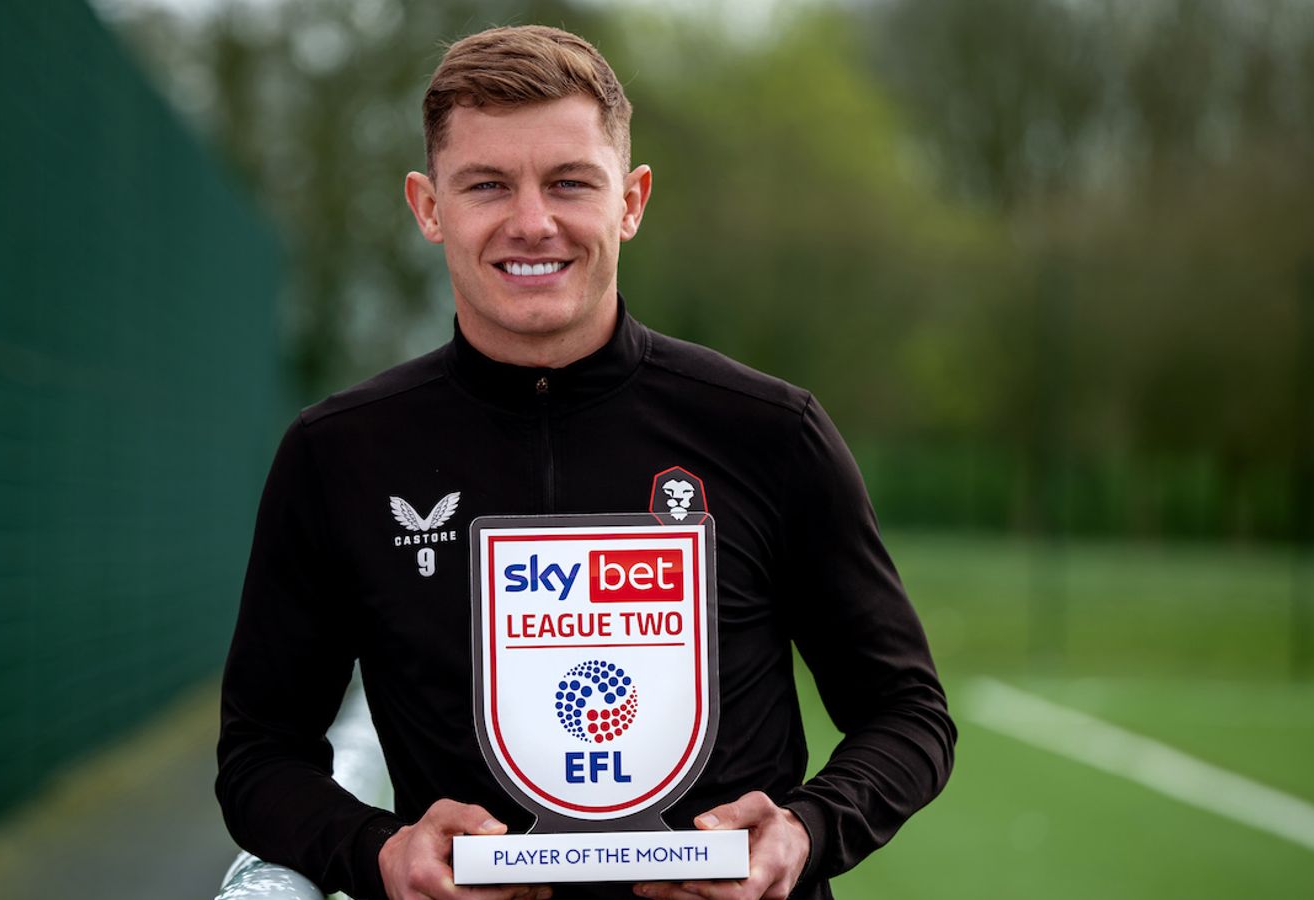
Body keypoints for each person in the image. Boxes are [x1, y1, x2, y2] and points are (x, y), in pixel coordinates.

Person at [216, 25, 955, 900]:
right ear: (427, 206)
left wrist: (803, 831)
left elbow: (908, 716)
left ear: (632, 200)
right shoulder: (339, 455)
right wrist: (380, 852)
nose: (533, 222)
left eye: (570, 182)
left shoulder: (770, 431)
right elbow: (260, 755)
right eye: (487, 185)